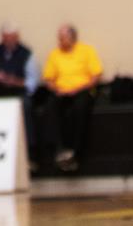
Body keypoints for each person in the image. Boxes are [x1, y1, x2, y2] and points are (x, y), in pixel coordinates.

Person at [41, 25, 101, 172]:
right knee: (50, 106)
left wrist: (77, 89)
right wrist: (57, 90)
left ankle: (75, 151)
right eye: (59, 38)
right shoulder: (55, 54)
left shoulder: (86, 51)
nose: (60, 41)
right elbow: (48, 79)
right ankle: (59, 149)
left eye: (62, 38)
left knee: (80, 108)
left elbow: (96, 76)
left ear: (72, 38)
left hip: (81, 90)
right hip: (61, 91)